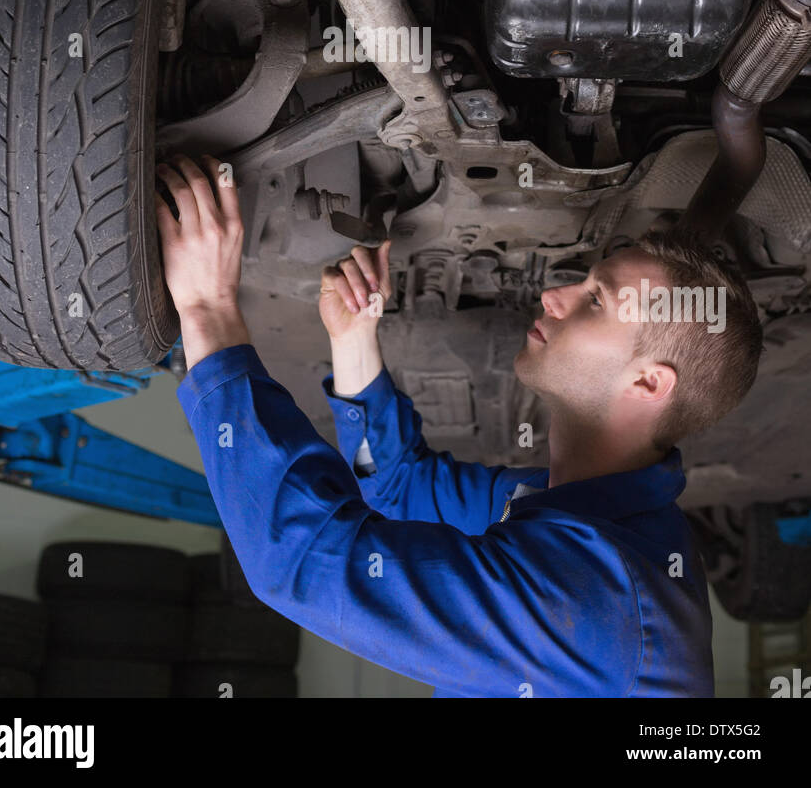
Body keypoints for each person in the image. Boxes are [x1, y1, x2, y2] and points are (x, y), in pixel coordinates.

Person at [156, 152, 762, 698]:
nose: (556, 295)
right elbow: (394, 492)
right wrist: (354, 343)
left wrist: (208, 311)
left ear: (649, 383)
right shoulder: (579, 514)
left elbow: (299, 562)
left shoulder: (590, 596)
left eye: (595, 300)